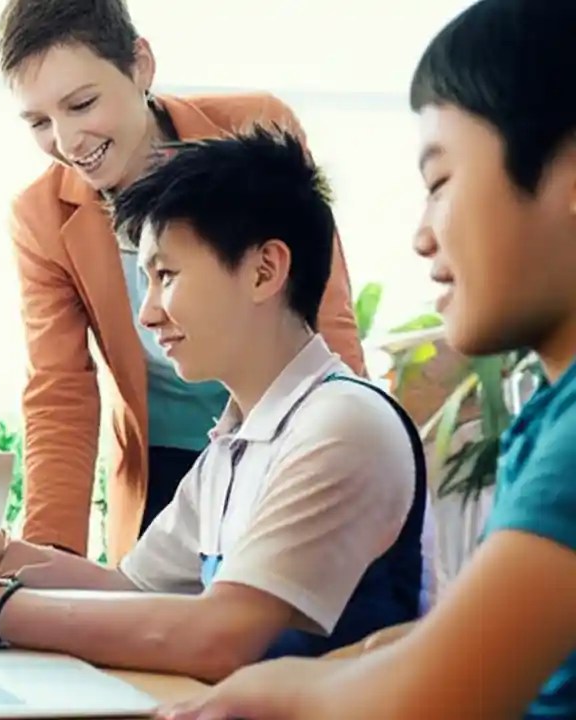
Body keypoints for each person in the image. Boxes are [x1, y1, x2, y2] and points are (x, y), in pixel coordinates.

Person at [0, 128, 423, 681]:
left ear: (265, 270)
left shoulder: (341, 426)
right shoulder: (242, 438)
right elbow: (125, 589)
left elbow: (223, 638)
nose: (147, 311)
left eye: (167, 275)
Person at [157, 1, 576, 718]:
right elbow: (444, 648)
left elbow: (436, 693)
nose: (421, 236)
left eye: (440, 182)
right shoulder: (551, 419)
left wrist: (283, 692)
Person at [0, 0, 367, 563]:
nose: (68, 140)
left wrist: (353, 449)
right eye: (39, 122)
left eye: (82, 103)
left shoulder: (254, 131)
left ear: (140, 64)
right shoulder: (41, 215)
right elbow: (59, 395)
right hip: (166, 472)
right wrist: (45, 562)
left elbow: (321, 304)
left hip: (288, 444)